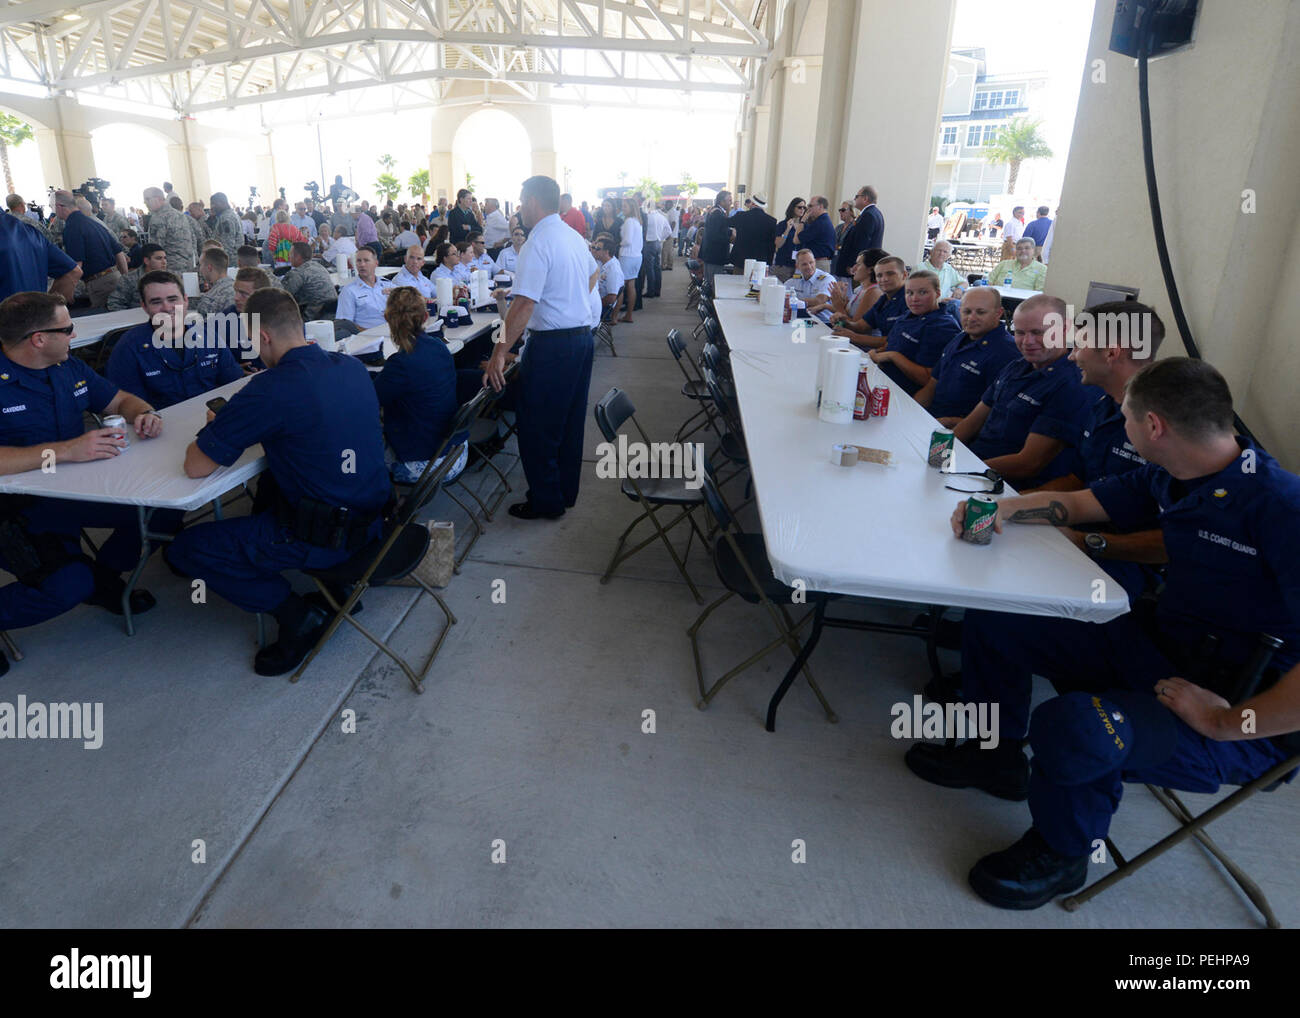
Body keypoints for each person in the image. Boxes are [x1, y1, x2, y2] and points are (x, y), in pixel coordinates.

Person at [908, 356, 1300, 911]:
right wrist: (999, 511)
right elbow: (1077, 504)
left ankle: (1061, 852)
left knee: (1078, 727)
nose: (1122, 425)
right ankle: (990, 751)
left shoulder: (1282, 506)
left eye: (1127, 416)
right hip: (1159, 650)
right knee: (999, 614)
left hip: (1239, 708)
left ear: (1154, 426)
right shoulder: (1172, 473)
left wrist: (1226, 721)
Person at [165, 289, 392, 676]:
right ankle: (335, 588)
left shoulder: (270, 388)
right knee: (272, 485)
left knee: (185, 550)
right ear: (301, 327)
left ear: (262, 337)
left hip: (323, 537)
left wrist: (219, 428)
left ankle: (298, 616)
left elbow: (196, 467)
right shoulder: (350, 367)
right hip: (375, 522)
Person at [0, 292, 167, 659]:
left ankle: (102, 577)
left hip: (73, 492)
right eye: (68, 328)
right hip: (17, 510)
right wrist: (66, 451)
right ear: (38, 339)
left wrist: (145, 412)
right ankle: (87, 578)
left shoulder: (66, 366)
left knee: (160, 510)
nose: (75, 336)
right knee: (65, 587)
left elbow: (120, 399)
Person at [482, 175, 599, 521]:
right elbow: (594, 275)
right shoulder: (572, 236)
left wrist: (498, 353)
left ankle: (546, 501)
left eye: (521, 201)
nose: (518, 208)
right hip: (580, 339)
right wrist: (571, 300)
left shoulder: (538, 241)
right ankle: (565, 491)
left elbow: (523, 306)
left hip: (554, 347)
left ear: (533, 201)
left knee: (538, 427)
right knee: (569, 423)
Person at [950, 293, 1094, 487]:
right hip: (973, 464)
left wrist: (966, 471)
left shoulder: (1071, 384)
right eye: (1019, 332)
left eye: (1038, 332)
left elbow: (1028, 463)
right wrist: (944, 451)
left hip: (1003, 485)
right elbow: (973, 421)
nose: (1027, 342)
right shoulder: (1017, 365)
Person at [105, 270, 243, 409]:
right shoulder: (128, 348)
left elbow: (233, 382)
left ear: (186, 300)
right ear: (144, 307)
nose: (166, 308)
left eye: (173, 299)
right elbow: (126, 405)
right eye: (156, 302)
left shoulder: (209, 336)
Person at [374, 286, 465, 484]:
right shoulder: (440, 347)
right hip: (456, 452)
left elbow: (369, 403)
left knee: (352, 438)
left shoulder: (400, 364)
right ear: (425, 317)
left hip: (425, 465)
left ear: (388, 318)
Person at [914, 286, 1017, 426]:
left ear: (999, 313)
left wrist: (949, 423)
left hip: (959, 432)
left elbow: (997, 417)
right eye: (966, 311)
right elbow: (932, 385)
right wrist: (911, 411)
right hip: (932, 419)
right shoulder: (961, 338)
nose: (971, 318)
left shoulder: (1007, 353)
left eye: (980, 312)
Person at [867, 269, 961, 397]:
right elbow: (891, 344)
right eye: (909, 293)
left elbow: (927, 379)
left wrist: (893, 356)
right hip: (882, 380)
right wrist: (878, 352)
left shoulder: (943, 326)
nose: (914, 299)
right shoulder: (908, 315)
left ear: (938, 293)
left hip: (904, 394)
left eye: (922, 292)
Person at [54, 190, 128, 308]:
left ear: (58, 207)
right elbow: (119, 253)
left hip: (99, 284)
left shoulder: (72, 227)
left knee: (105, 322)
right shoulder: (96, 223)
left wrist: (67, 291)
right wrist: (125, 279)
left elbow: (76, 266)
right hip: (115, 278)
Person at [0, 208, 81, 303]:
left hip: (9, 316)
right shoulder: (30, 231)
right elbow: (73, 272)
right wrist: (47, 307)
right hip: (36, 315)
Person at [838, 255, 908, 347]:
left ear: (904, 275)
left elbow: (898, 340)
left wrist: (853, 337)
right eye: (879, 275)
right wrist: (843, 322)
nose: (884, 279)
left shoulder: (910, 300)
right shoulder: (884, 299)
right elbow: (862, 326)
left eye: (890, 274)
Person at [822, 247, 886, 329]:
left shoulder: (873, 292)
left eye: (858, 264)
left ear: (870, 269)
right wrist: (842, 304)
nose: (854, 268)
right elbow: (847, 316)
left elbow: (857, 328)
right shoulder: (860, 288)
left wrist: (839, 307)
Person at [336, 246, 394, 330]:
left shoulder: (388, 286)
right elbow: (345, 325)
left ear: (376, 263)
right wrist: (370, 333)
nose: (362, 265)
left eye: (366, 260)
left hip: (395, 333)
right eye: (359, 261)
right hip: (367, 337)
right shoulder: (349, 291)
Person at [835, 185, 884, 279]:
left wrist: (854, 265)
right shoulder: (874, 213)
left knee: (854, 292)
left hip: (862, 268)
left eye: (857, 196)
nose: (854, 199)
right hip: (864, 265)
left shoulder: (868, 215)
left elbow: (861, 243)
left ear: (865, 198)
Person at [729, 193, 779, 278]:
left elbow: (727, 223)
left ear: (752, 203)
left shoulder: (741, 216)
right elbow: (772, 245)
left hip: (740, 261)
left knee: (737, 286)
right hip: (760, 263)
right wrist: (768, 263)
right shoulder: (772, 221)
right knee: (756, 288)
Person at [281, 241, 336, 318]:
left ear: (297, 257)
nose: (288, 257)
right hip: (331, 314)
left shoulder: (297, 273)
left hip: (310, 316)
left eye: (290, 254)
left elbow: (282, 295)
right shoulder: (320, 267)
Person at [107, 243, 167, 311]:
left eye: (165, 258)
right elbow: (115, 303)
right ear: (146, 261)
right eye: (159, 258)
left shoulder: (171, 278)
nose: (164, 262)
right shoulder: (129, 279)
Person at [784, 249, 836, 323]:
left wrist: (795, 302)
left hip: (823, 322)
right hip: (802, 320)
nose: (809, 267)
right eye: (804, 264)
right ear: (797, 266)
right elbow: (782, 295)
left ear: (815, 262)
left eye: (811, 262)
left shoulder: (827, 279)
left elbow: (820, 300)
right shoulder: (793, 281)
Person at [698, 189, 734, 288]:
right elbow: (716, 235)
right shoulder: (718, 214)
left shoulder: (715, 211)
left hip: (710, 254)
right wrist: (730, 237)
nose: (731, 203)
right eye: (729, 200)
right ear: (722, 201)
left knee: (710, 282)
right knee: (713, 285)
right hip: (715, 255)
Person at [616, 197, 643, 323]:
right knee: (631, 286)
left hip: (627, 256)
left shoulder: (629, 222)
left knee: (620, 286)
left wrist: (618, 244)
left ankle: (614, 317)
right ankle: (629, 315)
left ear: (631, 207)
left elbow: (627, 241)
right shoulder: (637, 221)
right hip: (637, 256)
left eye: (625, 206)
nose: (622, 208)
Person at [192, 247, 237, 315]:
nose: (200, 269)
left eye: (200, 265)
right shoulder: (239, 291)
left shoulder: (209, 299)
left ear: (209, 268)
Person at [772, 197, 806, 282]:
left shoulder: (805, 226)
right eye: (799, 207)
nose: (802, 209)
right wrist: (787, 230)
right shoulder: (783, 224)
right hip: (784, 264)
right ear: (793, 208)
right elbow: (778, 244)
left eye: (804, 208)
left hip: (799, 266)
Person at [642, 200, 671, 299]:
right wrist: (661, 238)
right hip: (658, 243)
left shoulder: (647, 217)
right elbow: (668, 231)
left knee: (649, 269)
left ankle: (650, 291)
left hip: (649, 242)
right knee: (657, 268)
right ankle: (657, 290)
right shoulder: (661, 216)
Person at [801, 196, 838, 272]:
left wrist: (802, 221)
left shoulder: (820, 223)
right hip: (818, 262)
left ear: (820, 206)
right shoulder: (822, 221)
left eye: (810, 206)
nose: (808, 209)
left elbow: (797, 239)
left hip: (819, 263)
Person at [592, 236, 625, 321]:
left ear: (606, 252)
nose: (594, 250)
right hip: (597, 300)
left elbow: (612, 298)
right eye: (594, 247)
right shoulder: (603, 260)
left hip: (603, 308)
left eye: (597, 249)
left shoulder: (613, 270)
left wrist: (596, 305)